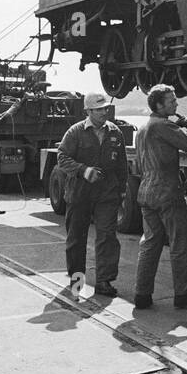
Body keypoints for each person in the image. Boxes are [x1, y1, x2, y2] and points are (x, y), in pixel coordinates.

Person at [134, 84, 187, 311]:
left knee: (150, 244)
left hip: (146, 192)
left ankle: (142, 295)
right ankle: (184, 295)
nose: (176, 104)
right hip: (167, 193)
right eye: (172, 101)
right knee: (179, 244)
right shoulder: (163, 125)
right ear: (158, 105)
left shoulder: (144, 128)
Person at [56, 92, 129, 298]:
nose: (104, 112)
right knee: (76, 238)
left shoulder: (115, 133)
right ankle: (77, 279)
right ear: (88, 111)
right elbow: (62, 157)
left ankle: (104, 281)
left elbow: (122, 165)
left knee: (107, 236)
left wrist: (122, 190)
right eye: (99, 109)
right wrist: (83, 170)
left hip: (107, 194)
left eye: (105, 108)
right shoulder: (75, 132)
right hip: (80, 193)